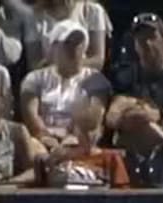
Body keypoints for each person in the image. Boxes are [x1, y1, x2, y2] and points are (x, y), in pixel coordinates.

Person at [104, 13, 163, 184]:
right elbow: (112, 118)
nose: (147, 43)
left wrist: (153, 115)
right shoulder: (125, 76)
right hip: (136, 140)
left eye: (152, 37)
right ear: (135, 45)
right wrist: (135, 112)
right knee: (130, 125)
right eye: (140, 39)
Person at [19, 20, 101, 149]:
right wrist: (44, 136)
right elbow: (31, 116)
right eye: (67, 43)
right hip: (41, 142)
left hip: (80, 141)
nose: (74, 48)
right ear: (53, 47)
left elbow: (94, 118)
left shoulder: (95, 79)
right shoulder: (33, 78)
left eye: (79, 43)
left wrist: (72, 137)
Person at [42, 99, 128, 187]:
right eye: (84, 129)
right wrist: (53, 160)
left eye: (92, 129)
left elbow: (122, 193)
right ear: (75, 130)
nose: (89, 135)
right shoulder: (61, 156)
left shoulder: (111, 158)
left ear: (101, 131)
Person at [29, 0, 110, 69]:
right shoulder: (36, 14)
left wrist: (66, 66)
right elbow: (34, 62)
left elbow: (98, 60)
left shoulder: (92, 10)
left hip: (83, 81)